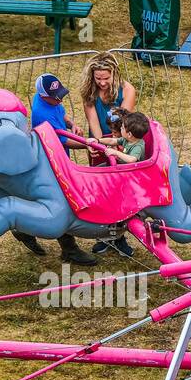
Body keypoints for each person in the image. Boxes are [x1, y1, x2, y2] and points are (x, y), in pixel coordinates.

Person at [13, 74, 95, 265]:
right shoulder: (42, 115)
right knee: (61, 203)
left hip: (59, 159)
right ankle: (69, 249)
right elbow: (63, 141)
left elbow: (60, 110)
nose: (60, 99)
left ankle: (24, 230)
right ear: (42, 96)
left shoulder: (49, 100)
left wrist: (71, 124)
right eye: (55, 96)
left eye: (60, 94)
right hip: (52, 162)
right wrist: (88, 144)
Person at [80, 53, 138, 257]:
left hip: (120, 138)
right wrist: (96, 143)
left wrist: (113, 147)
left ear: (115, 74)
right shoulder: (89, 92)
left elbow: (120, 123)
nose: (102, 82)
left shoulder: (127, 90)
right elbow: (94, 123)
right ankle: (103, 234)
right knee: (101, 188)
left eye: (106, 78)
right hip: (101, 140)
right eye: (98, 78)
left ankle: (120, 235)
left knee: (120, 189)